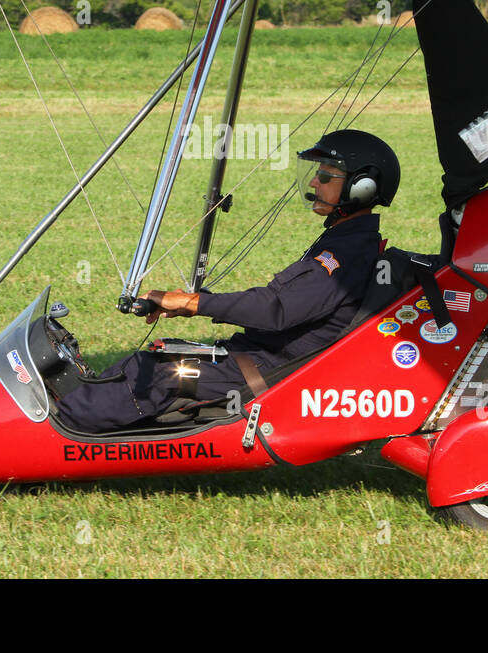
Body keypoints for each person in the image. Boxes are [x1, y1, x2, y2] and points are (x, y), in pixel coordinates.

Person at [53, 129, 400, 434]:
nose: (313, 182)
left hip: (269, 371)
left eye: (326, 176)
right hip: (259, 357)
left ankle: (56, 427)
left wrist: (194, 303)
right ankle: (73, 404)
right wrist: (195, 304)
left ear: (362, 186)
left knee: (160, 376)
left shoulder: (345, 255)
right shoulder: (344, 241)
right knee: (150, 360)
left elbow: (275, 310)